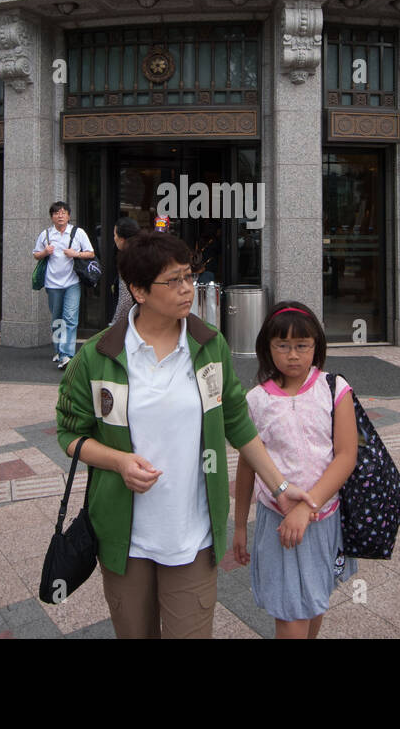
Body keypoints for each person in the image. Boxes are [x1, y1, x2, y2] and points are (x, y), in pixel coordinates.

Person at [55, 231, 317, 638]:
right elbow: (70, 434)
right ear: (139, 292)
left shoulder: (209, 346)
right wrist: (119, 461)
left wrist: (280, 486)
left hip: (192, 536)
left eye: (188, 277)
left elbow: (238, 422)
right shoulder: (99, 356)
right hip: (124, 540)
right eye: (173, 281)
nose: (186, 290)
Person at [233, 302, 358, 639]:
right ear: (266, 348)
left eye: (302, 345)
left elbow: (346, 455)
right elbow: (247, 464)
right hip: (277, 522)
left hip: (323, 518)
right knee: (291, 611)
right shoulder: (256, 400)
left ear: (316, 346)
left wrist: (307, 506)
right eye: (282, 345)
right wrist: (241, 526)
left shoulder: (334, 388)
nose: (293, 355)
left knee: (315, 600)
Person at [32, 201, 95, 369]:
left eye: (63, 212)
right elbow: (36, 255)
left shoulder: (78, 233)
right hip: (52, 283)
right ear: (52, 217)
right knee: (57, 319)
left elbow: (91, 253)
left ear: (68, 216)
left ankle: (67, 354)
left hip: (72, 282)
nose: (60, 215)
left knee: (70, 318)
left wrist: (76, 254)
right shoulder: (46, 234)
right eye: (56, 213)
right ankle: (59, 351)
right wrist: (45, 252)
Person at [109, 216, 140, 327]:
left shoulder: (128, 260)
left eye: (115, 235)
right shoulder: (146, 252)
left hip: (139, 319)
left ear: (122, 239)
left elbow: (125, 299)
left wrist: (115, 326)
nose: (114, 238)